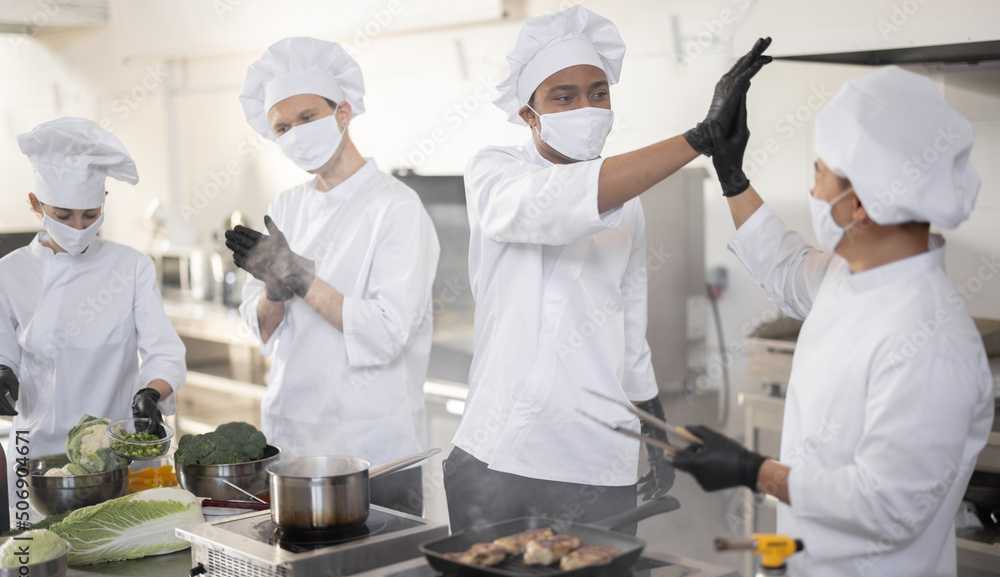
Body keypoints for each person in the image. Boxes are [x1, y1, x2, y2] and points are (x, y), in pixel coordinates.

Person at [672, 66, 991, 577]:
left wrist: (751, 469)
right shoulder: (859, 275)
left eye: (821, 174)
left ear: (864, 203)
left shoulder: (928, 341)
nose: (814, 192)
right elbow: (789, 268)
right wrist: (731, 171)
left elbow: (884, 507)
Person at [443, 5, 771, 531]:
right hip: (502, 455)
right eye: (564, 97)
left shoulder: (629, 201)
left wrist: (653, 421)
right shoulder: (495, 171)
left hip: (601, 459)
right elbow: (550, 205)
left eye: (599, 93)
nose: (587, 108)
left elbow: (628, 317)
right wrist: (699, 139)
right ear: (529, 114)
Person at [228, 37, 440, 516]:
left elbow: (386, 333)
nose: (296, 134)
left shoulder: (396, 208)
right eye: (282, 127)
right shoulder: (286, 205)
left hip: (374, 449)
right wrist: (274, 291)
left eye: (307, 118)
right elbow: (262, 326)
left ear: (343, 112)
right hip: (293, 439)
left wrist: (300, 278)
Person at [0, 117, 187, 511]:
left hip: (117, 459)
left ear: (104, 199)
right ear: (36, 204)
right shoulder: (10, 271)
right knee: (36, 561)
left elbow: (165, 354)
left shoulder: (131, 266)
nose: (79, 227)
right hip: (35, 458)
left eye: (91, 214)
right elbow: (5, 354)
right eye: (64, 216)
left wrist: (152, 395)